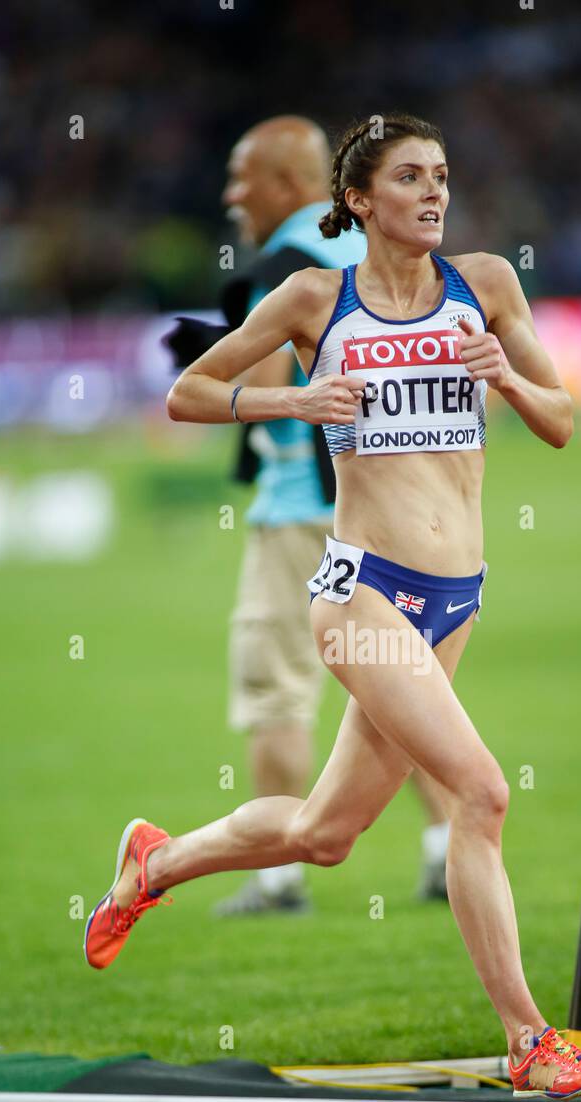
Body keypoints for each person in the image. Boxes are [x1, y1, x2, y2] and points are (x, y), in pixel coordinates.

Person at [85, 113, 581, 1099]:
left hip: (454, 595)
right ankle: (527, 1040)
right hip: (360, 592)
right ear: (359, 200)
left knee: (325, 834)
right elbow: (189, 393)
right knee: (480, 793)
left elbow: (560, 421)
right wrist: (290, 401)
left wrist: (505, 376)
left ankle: (150, 866)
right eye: (412, 178)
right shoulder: (311, 299)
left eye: (442, 177)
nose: (434, 194)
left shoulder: (486, 286)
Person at [166, 115, 452, 915]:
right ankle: (440, 851)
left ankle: (277, 879)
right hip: (404, 521)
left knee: (277, 689)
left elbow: (257, 395)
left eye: (241, 176)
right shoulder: (377, 255)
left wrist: (257, 400)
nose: (230, 194)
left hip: (304, 511)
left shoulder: (288, 268)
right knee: (405, 693)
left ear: (291, 184)